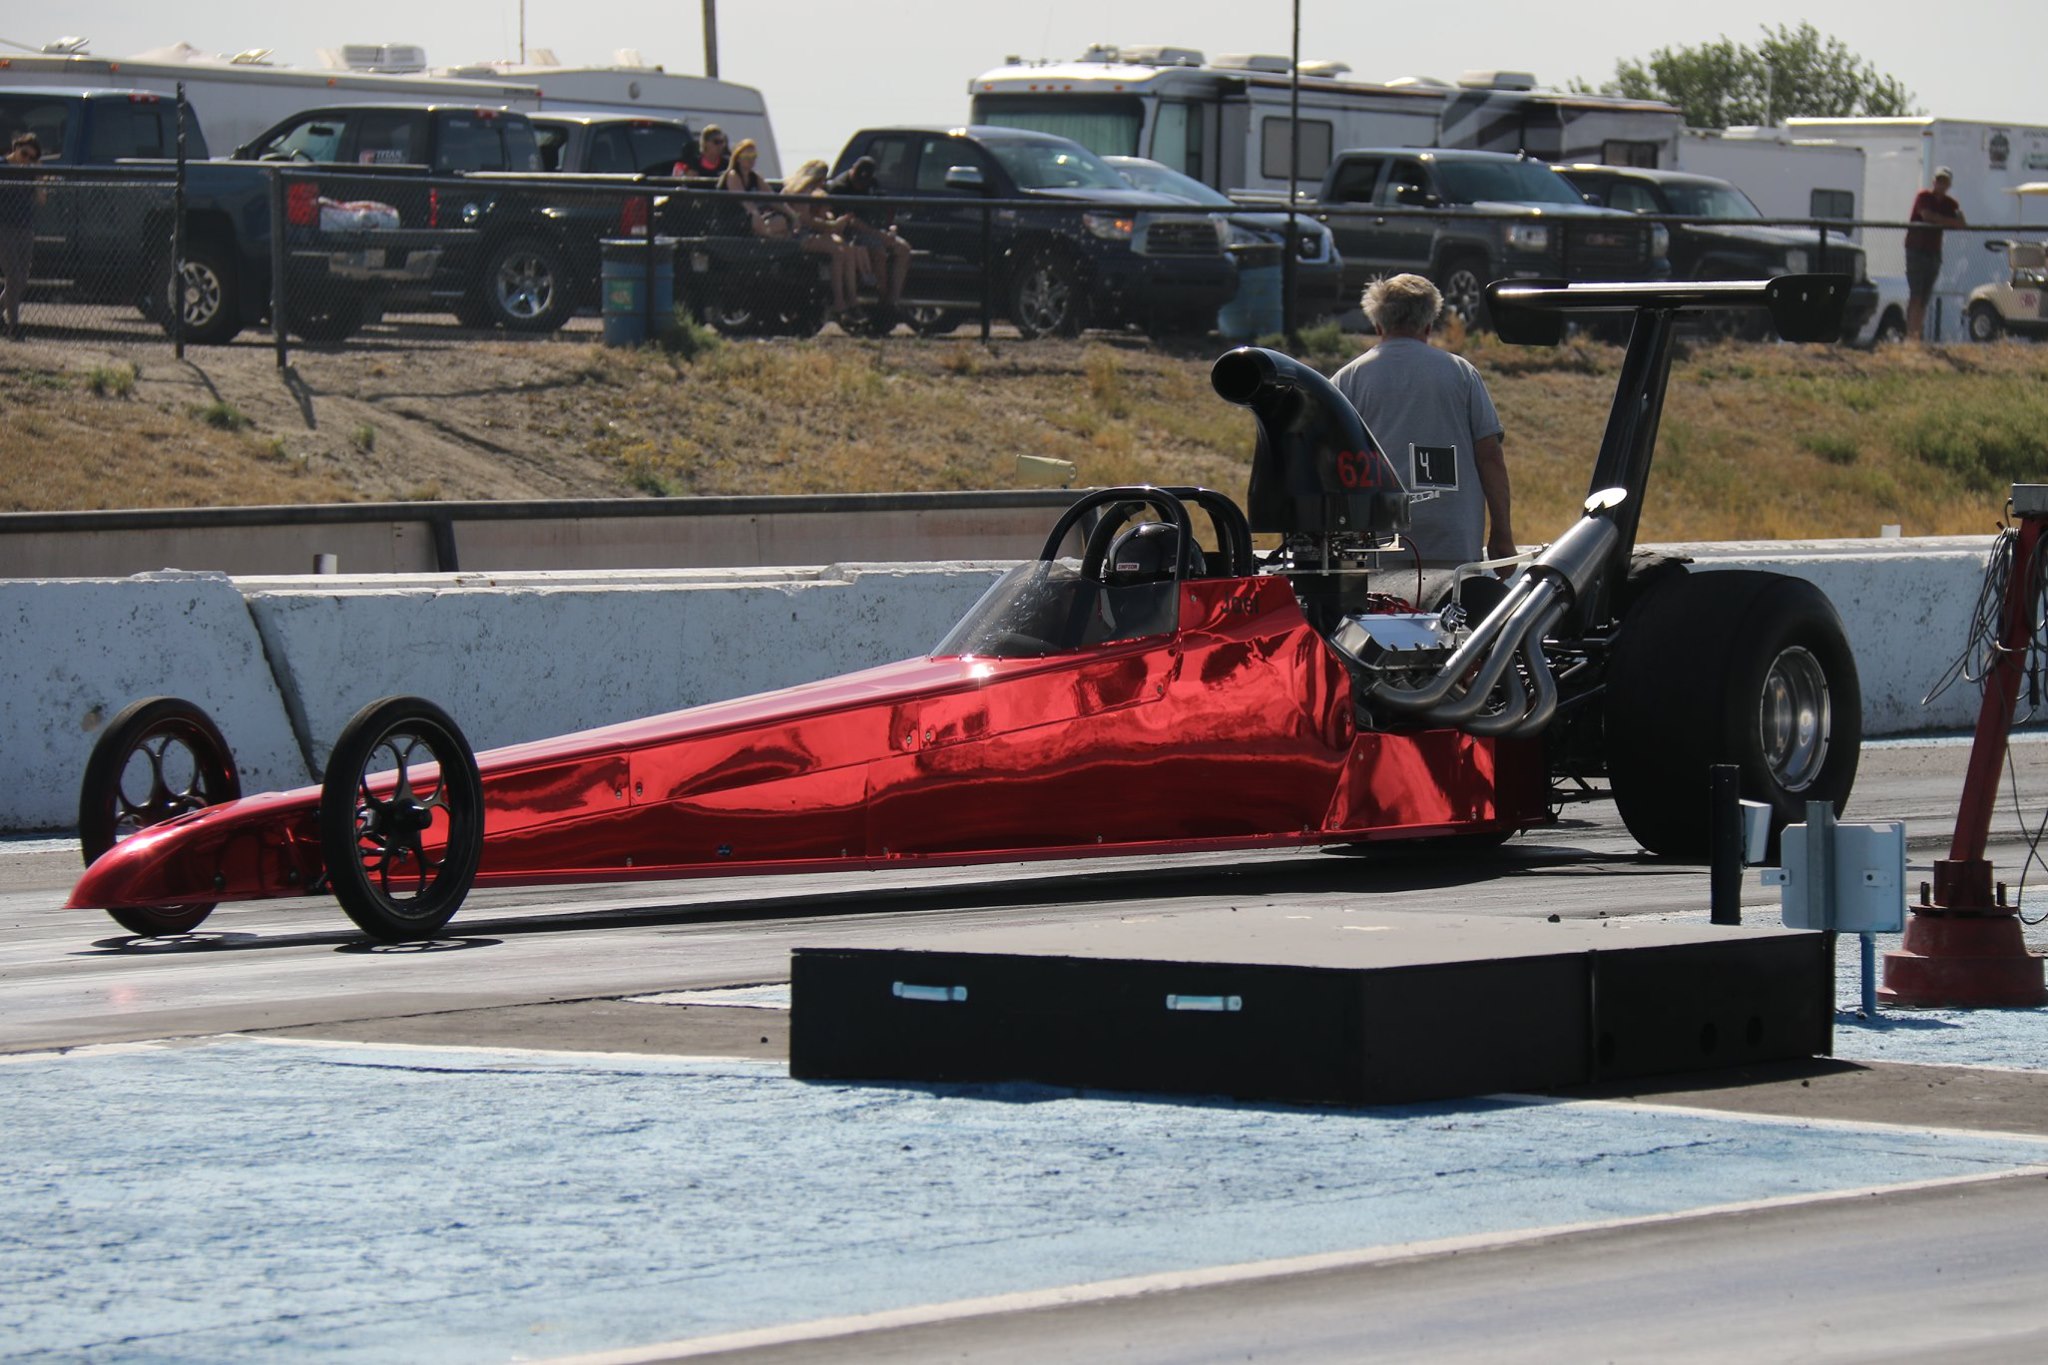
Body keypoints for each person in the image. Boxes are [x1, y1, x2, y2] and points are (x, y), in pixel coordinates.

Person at [1332, 273, 1512, 569]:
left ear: (1377, 323)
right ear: (1429, 323)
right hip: (1453, 538)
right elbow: (1490, 456)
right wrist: (1502, 536)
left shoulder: (1347, 379)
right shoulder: (1461, 373)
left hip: (1378, 540)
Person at [824, 156, 911, 312]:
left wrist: (890, 227)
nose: (860, 185)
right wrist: (879, 234)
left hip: (875, 231)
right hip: (854, 233)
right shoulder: (840, 188)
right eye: (858, 180)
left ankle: (894, 300)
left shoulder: (872, 184)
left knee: (903, 249)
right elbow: (851, 221)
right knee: (879, 253)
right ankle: (883, 299)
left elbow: (882, 211)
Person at [781, 159, 861, 321]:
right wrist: (832, 225)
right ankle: (839, 302)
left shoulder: (810, 190)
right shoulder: (801, 191)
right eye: (823, 178)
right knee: (837, 251)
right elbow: (806, 221)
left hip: (809, 232)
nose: (824, 182)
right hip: (797, 235)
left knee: (847, 248)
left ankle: (852, 299)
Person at [1904, 166, 1967, 343]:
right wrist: (1948, 221)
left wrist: (1946, 220)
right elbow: (1927, 216)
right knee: (1916, 294)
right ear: (1934, 182)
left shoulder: (1950, 204)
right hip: (1916, 249)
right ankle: (1910, 335)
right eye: (1938, 180)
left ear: (1949, 184)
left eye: (1944, 181)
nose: (1941, 184)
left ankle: (1917, 334)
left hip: (1933, 251)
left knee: (1925, 296)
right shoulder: (1923, 197)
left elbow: (1961, 223)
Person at [1, 131, 42, 341]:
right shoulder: (3, 167)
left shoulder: (30, 171)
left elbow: (41, 200)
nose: (27, 160)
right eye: (24, 154)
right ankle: (14, 327)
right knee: (13, 275)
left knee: (21, 279)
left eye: (32, 157)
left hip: (25, 228)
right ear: (16, 148)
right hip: (4, 227)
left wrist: (40, 178)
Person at [720, 138, 799, 240]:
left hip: (752, 218)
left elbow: (772, 198)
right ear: (738, 158)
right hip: (731, 219)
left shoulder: (755, 177)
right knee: (758, 222)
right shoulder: (733, 175)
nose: (750, 159)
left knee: (780, 220)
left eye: (753, 156)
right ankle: (771, 237)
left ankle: (771, 237)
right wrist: (756, 215)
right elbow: (745, 201)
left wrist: (792, 214)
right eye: (746, 156)